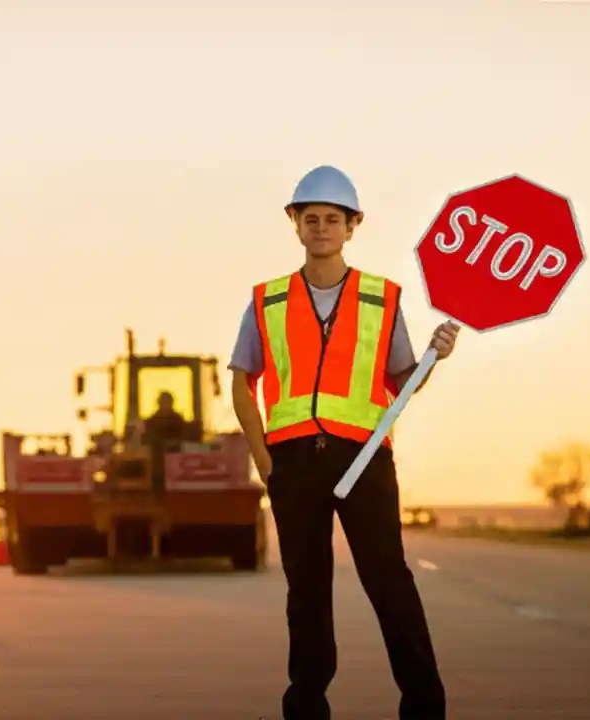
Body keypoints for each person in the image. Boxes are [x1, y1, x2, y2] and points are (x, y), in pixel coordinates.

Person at [229, 165, 458, 720]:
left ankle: (424, 703)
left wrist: (434, 356)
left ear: (353, 226)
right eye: (311, 218)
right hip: (293, 463)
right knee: (306, 591)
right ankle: (306, 705)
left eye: (334, 219)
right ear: (295, 223)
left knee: (389, 580)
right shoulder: (268, 300)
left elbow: (402, 382)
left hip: (365, 459)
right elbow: (241, 379)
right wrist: (265, 462)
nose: (322, 228)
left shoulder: (381, 299)